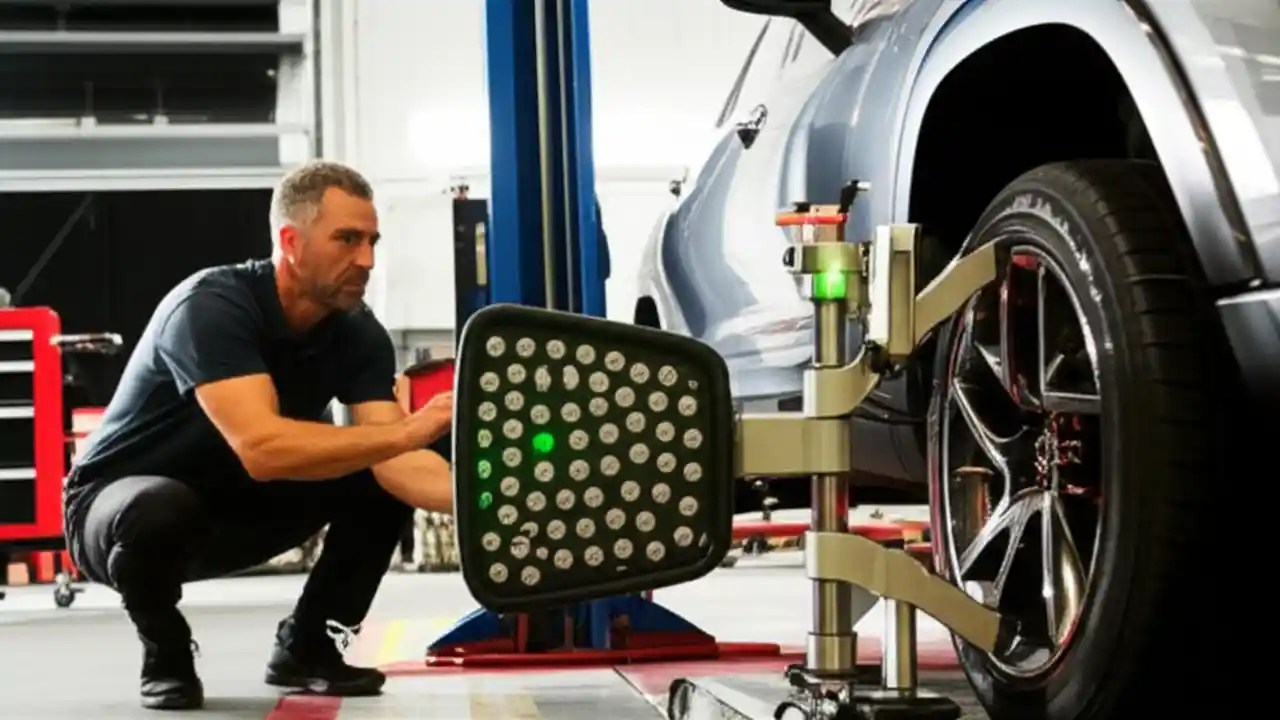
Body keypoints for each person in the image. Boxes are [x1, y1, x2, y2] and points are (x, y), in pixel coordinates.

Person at [62, 160, 455, 711]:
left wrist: (493, 503)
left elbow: (395, 463)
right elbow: (263, 449)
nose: (365, 260)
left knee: (374, 484)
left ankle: (309, 647)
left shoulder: (358, 334)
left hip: (238, 508)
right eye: (346, 239)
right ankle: (166, 651)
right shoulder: (211, 308)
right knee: (160, 507)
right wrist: (414, 428)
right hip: (117, 516)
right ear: (290, 241)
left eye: (371, 242)